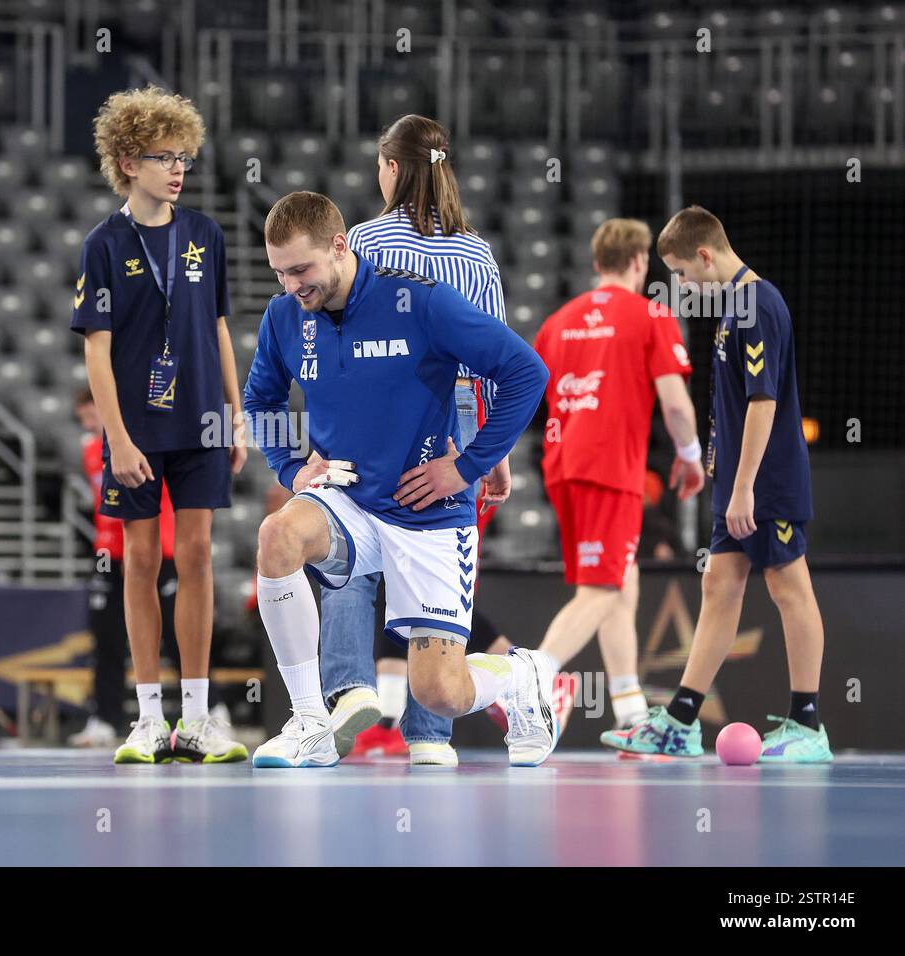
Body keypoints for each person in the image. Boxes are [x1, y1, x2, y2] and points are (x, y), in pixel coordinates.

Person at [244, 191, 555, 768]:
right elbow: (259, 399)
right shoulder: (284, 316)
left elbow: (525, 372)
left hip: (427, 512)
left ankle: (519, 675)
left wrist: (467, 466)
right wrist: (291, 467)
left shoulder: (419, 301)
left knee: (441, 691)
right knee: (276, 535)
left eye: (301, 269)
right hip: (349, 500)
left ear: (340, 247)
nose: (291, 286)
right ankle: (310, 720)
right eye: (279, 273)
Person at [604, 206, 831, 762]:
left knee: (787, 586)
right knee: (719, 585)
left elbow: (764, 401)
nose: (682, 285)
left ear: (705, 255)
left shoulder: (758, 305)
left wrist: (746, 487)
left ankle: (808, 724)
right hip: (737, 483)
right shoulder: (734, 308)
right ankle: (682, 720)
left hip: (767, 483)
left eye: (681, 273)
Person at [320, 114, 513, 767]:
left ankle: (349, 694)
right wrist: (495, 454)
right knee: (431, 573)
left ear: (392, 169)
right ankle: (430, 736)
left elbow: (340, 347)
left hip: (378, 425)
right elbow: (494, 362)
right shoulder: (478, 254)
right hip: (456, 432)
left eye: (379, 164)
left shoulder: (365, 241)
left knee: (347, 553)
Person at [71, 86, 247, 764]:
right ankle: (148, 719)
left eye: (185, 157)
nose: (177, 169)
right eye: (162, 157)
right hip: (137, 427)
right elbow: (96, 348)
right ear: (125, 159)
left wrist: (233, 416)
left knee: (198, 556)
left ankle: (198, 719)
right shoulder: (103, 245)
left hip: (201, 417)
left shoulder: (206, 233)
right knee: (140, 560)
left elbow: (221, 328)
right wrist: (115, 436)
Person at [527, 218, 703, 754]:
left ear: (597, 261)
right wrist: (691, 456)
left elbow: (527, 398)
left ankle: (629, 712)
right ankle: (533, 683)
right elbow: (674, 403)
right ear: (638, 262)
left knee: (620, 583)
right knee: (603, 590)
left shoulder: (557, 323)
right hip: (611, 470)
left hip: (562, 468)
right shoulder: (651, 313)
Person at [70, 388, 181, 747]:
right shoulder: (90, 451)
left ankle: (208, 708)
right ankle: (105, 718)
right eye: (83, 419)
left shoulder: (143, 441)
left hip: (155, 549)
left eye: (92, 416)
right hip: (109, 554)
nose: (88, 426)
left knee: (177, 630)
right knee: (106, 636)